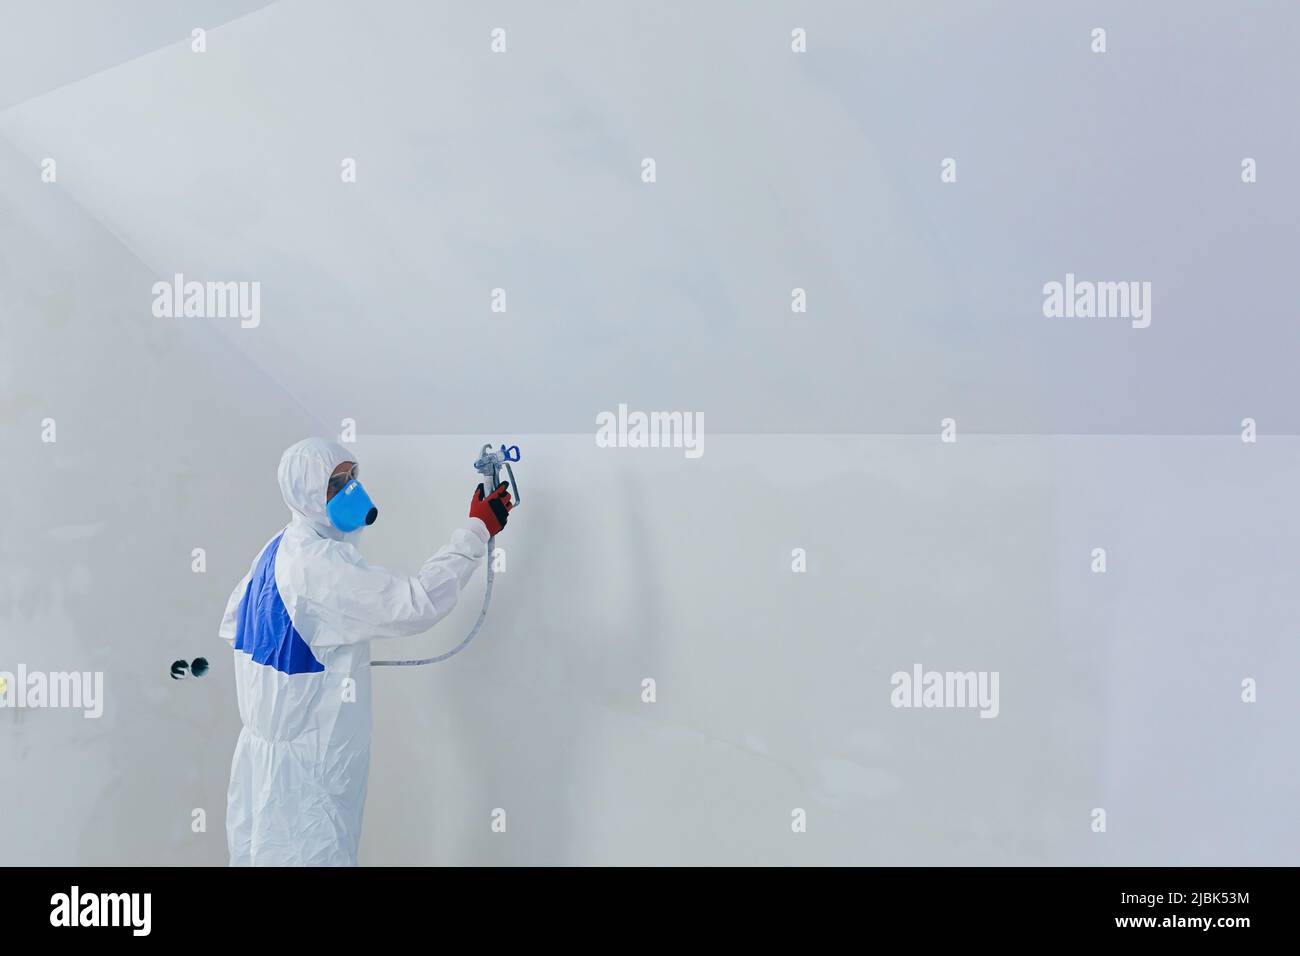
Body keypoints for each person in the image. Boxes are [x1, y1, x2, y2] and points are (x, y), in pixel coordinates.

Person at [218, 437, 513, 866]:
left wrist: (322, 652)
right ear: (306, 494)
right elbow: (416, 603)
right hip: (308, 775)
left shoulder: (278, 547)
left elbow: (234, 623)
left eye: (353, 475)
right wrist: (476, 530)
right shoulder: (319, 567)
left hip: (261, 761)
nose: (352, 489)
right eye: (336, 484)